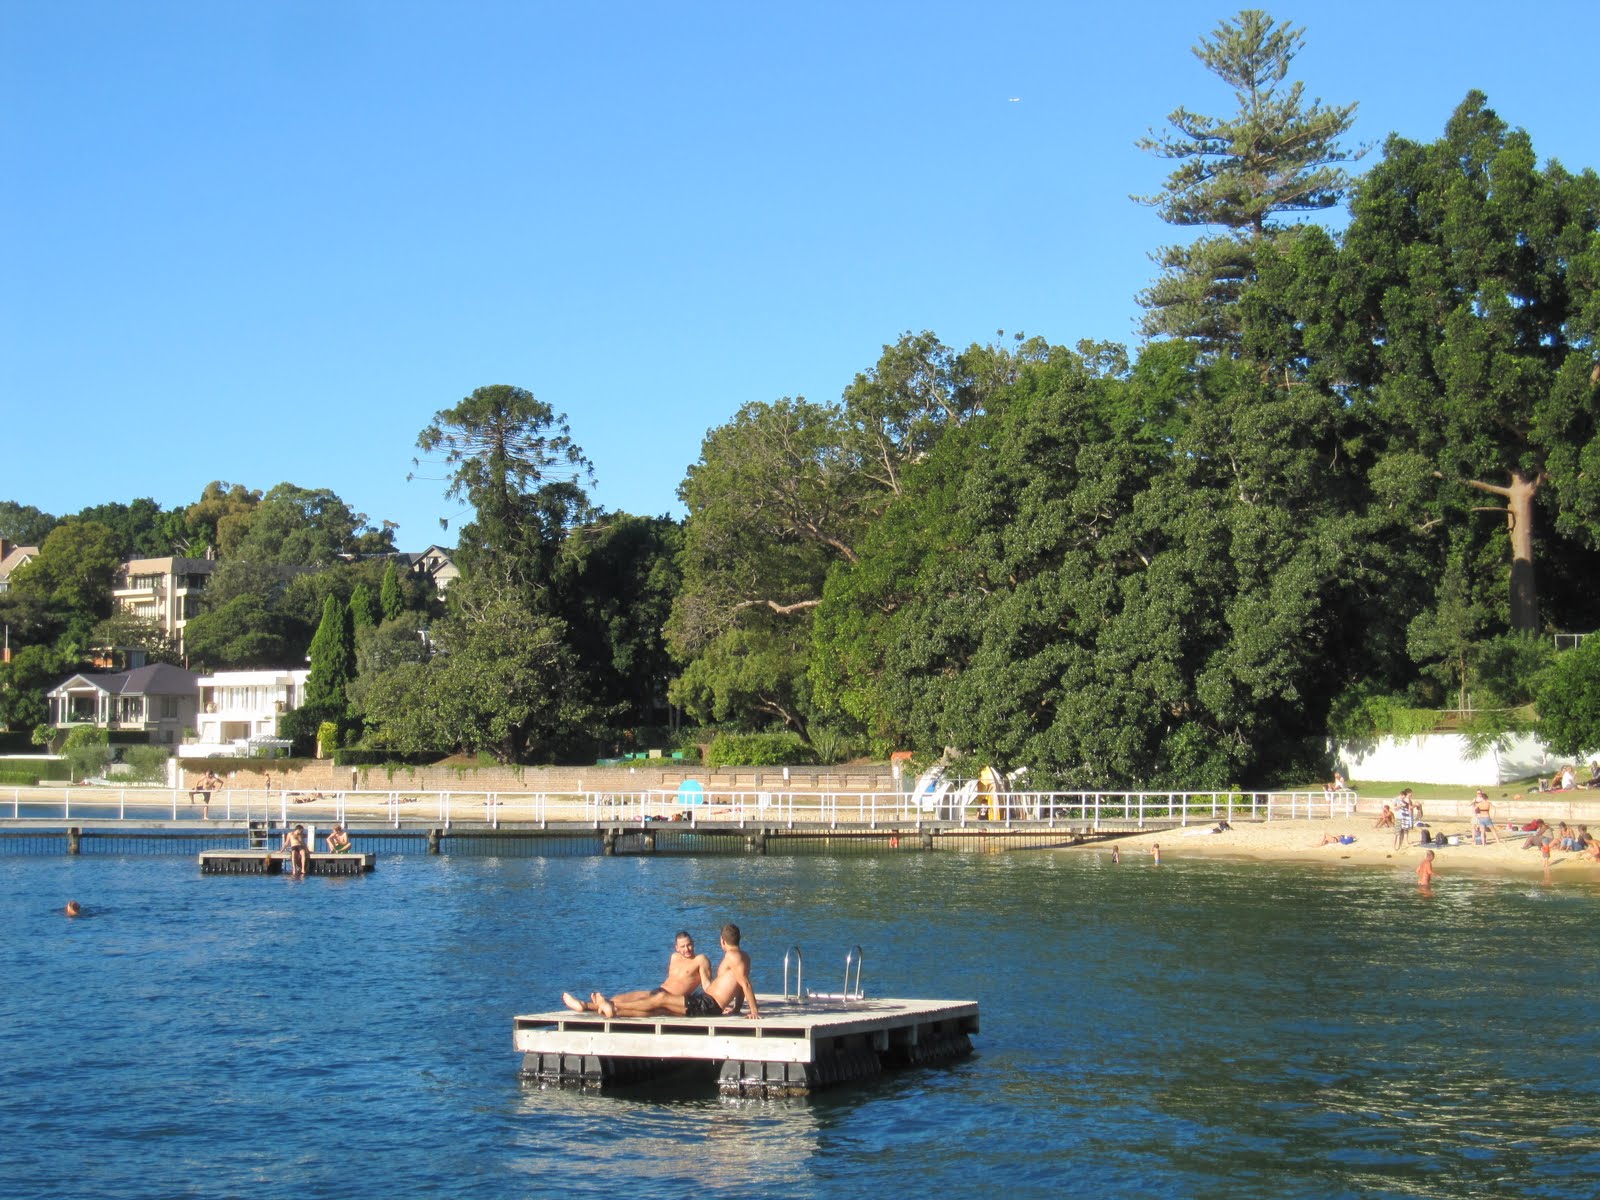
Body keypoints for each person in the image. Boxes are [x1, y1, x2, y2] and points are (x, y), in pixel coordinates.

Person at [587, 924, 762, 1020]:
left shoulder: (732, 956)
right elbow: (741, 985)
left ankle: (612, 1007)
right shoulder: (744, 957)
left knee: (660, 1000)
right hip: (707, 1002)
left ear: (722, 941)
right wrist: (737, 1008)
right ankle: (614, 1011)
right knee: (659, 1008)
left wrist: (754, 1011)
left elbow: (745, 984)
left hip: (708, 1004)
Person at [563, 930, 712, 1017]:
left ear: (693, 943)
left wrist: (716, 1002)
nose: (687, 949)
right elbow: (671, 980)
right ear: (677, 947)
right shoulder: (674, 957)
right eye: (683, 946)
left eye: (689, 945)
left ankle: (589, 1006)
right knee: (619, 998)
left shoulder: (700, 960)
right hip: (658, 991)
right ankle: (585, 1005)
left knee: (632, 1006)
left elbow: (706, 984)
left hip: (670, 1000)